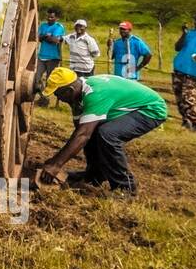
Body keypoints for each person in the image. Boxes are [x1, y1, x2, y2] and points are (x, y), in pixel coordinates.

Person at [36, 67, 168, 195]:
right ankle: (94, 176)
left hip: (151, 109)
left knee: (108, 134)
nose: (59, 99)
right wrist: (54, 161)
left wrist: (56, 164)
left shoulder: (95, 93)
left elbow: (83, 135)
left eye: (58, 94)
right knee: (92, 132)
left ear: (69, 90)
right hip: (129, 107)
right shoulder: (78, 96)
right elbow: (80, 131)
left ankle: (125, 187)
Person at [36, 8, 65, 106]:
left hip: (53, 57)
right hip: (41, 56)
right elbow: (38, 38)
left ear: (56, 18)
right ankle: (43, 96)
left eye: (52, 17)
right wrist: (46, 36)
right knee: (36, 77)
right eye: (48, 16)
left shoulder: (59, 27)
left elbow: (55, 40)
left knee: (50, 80)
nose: (49, 18)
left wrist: (45, 37)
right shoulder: (43, 25)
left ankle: (45, 99)